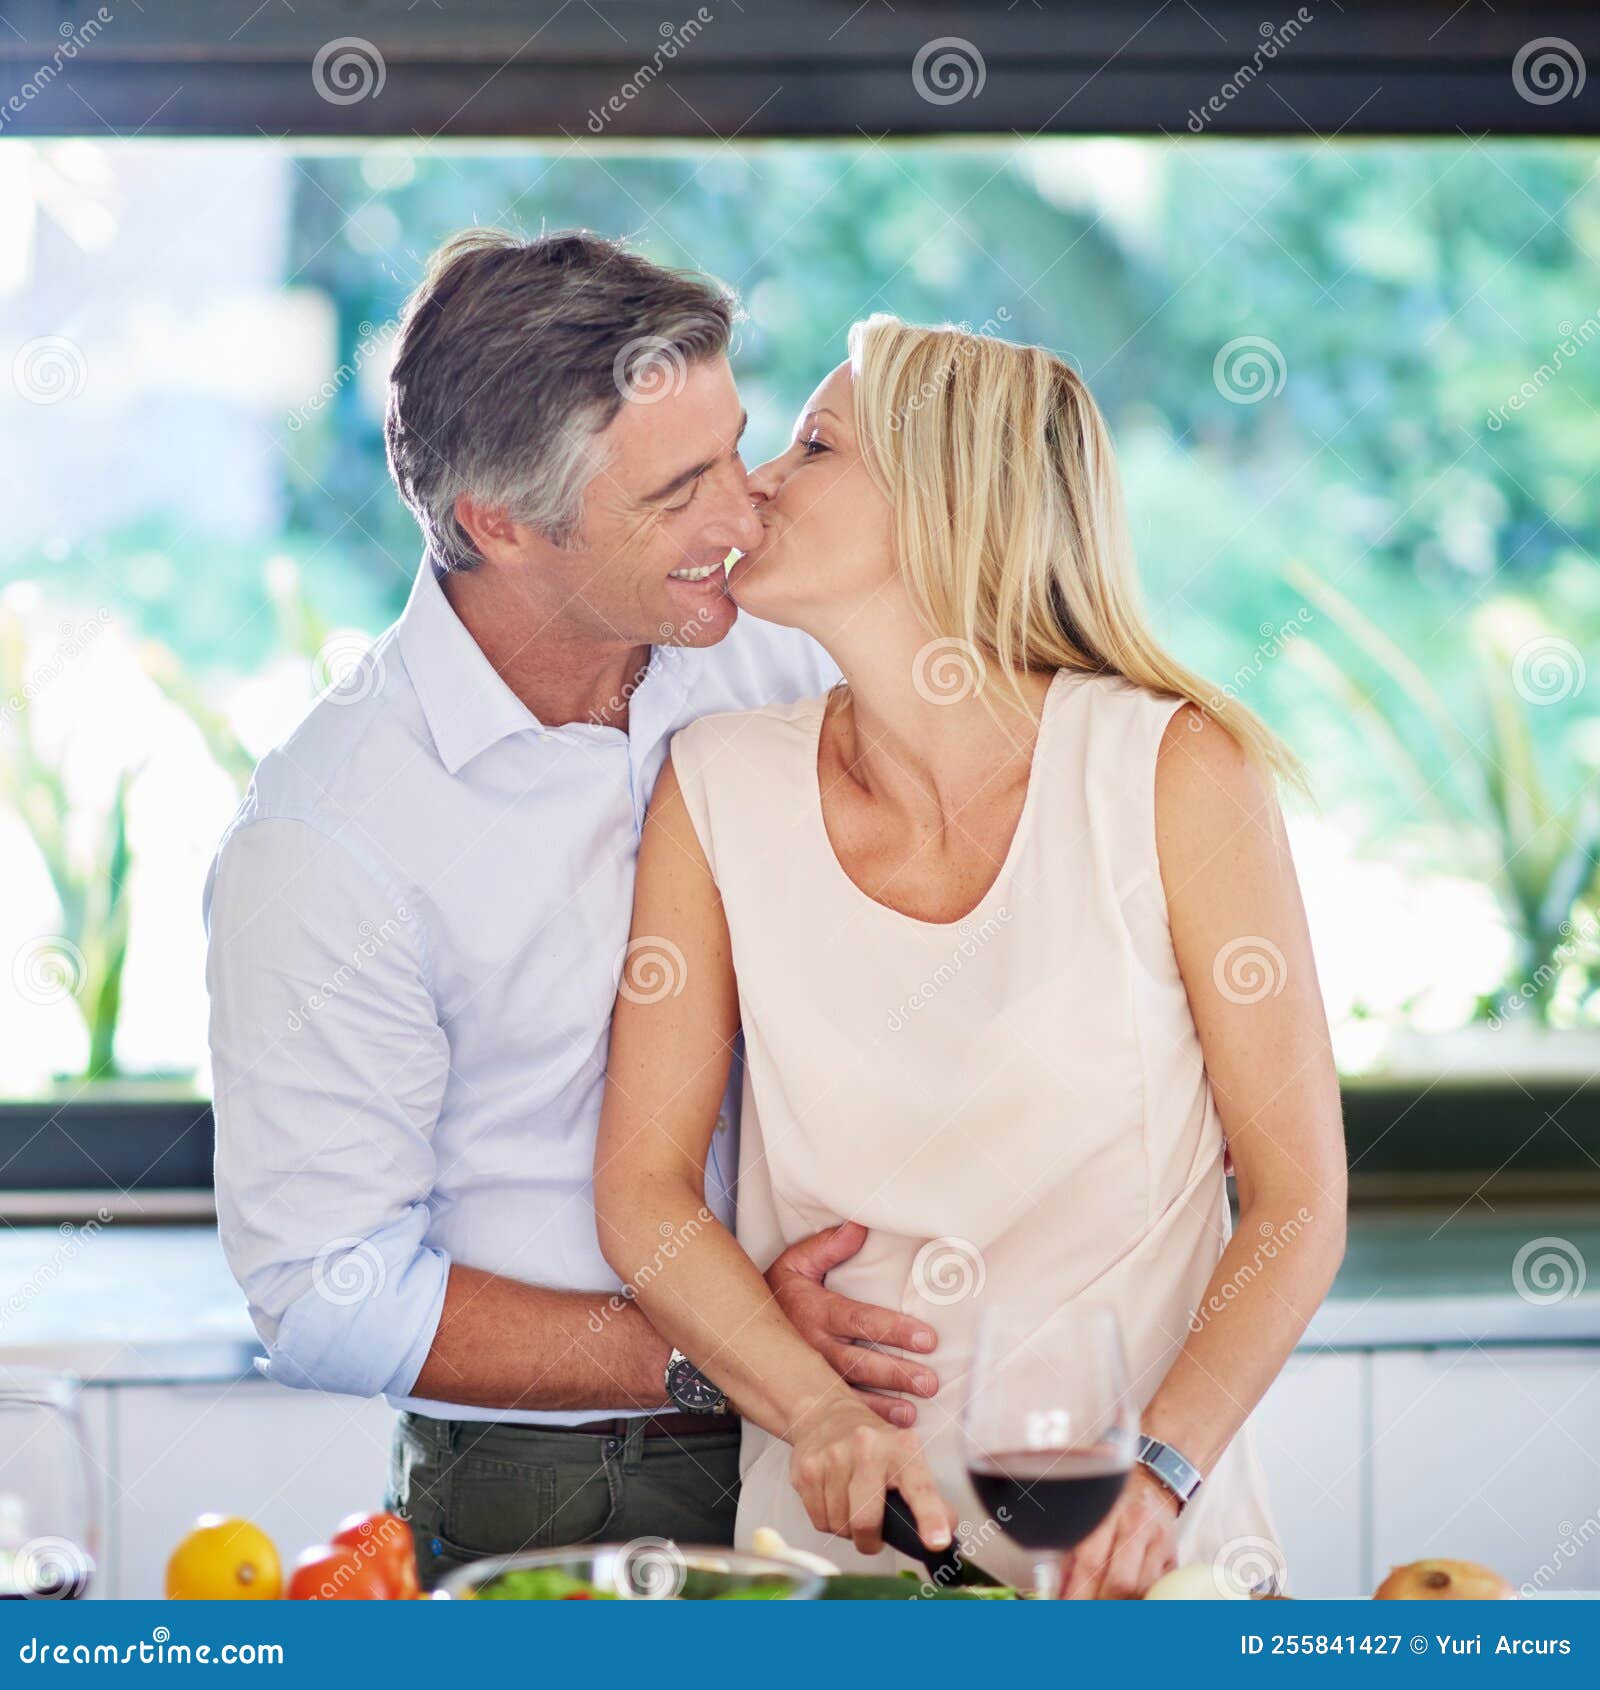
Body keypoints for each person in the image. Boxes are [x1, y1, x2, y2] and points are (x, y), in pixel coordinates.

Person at [204, 234, 943, 1592]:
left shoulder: (773, 649)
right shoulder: (328, 840)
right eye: (678, 491)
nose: (743, 515)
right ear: (499, 519)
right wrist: (720, 1347)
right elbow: (322, 1292)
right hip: (563, 1480)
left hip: (865, 1425)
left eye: (739, 447)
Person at [594, 315, 1349, 1597]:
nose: (758, 482)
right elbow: (643, 1194)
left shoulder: (1171, 773)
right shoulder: (719, 786)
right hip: (835, 1566)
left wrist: (1160, 1472)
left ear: (948, 502)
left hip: (1147, 1570)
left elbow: (1296, 1200)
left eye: (813, 445)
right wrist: (812, 1409)